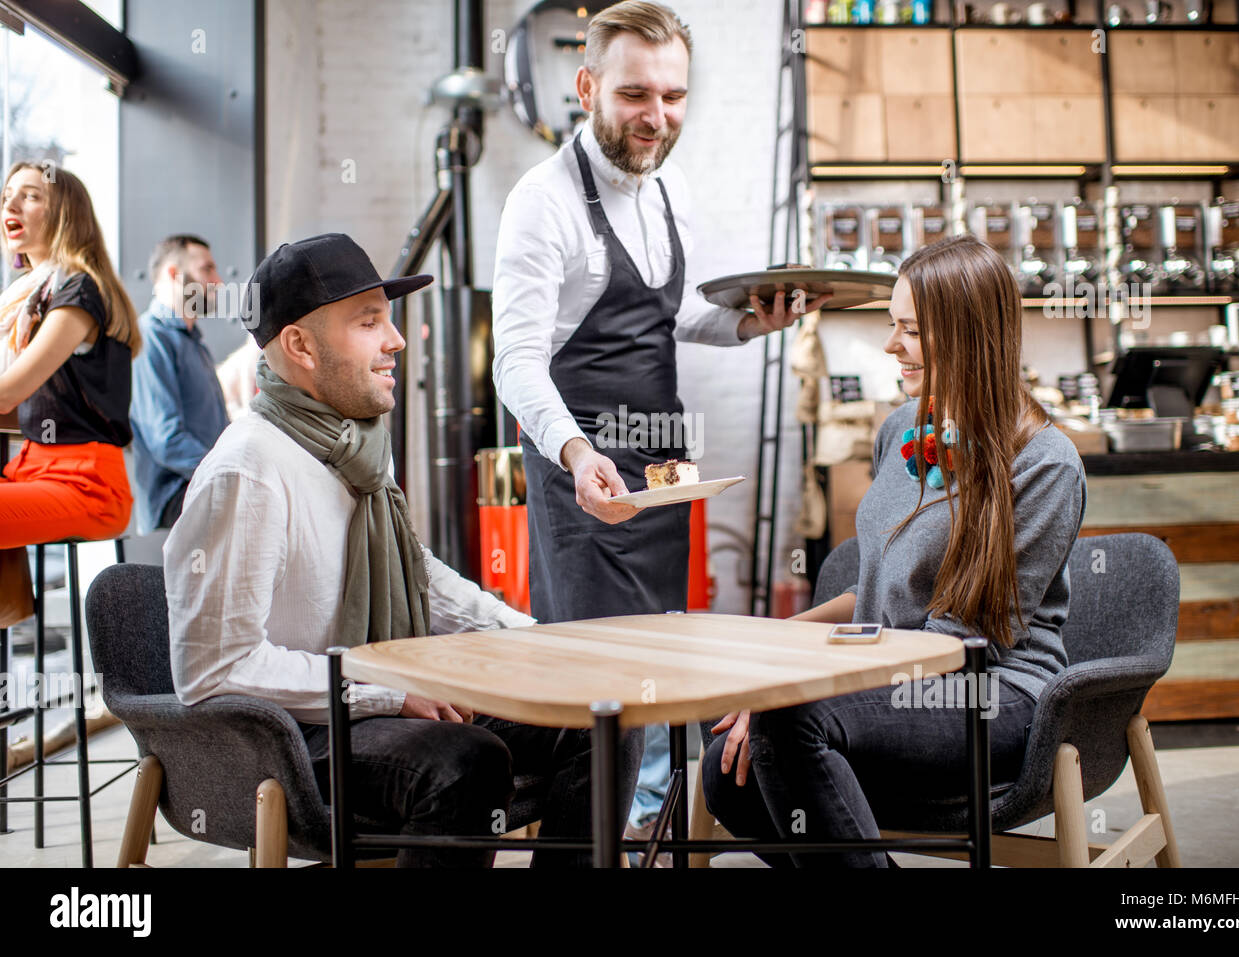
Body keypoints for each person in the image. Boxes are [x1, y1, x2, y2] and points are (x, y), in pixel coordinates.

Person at [165, 233, 643, 867]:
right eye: (369, 322)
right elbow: (215, 670)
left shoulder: (354, 444)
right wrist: (386, 691)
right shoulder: (247, 470)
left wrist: (536, 643)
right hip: (295, 734)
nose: (395, 340)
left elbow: (417, 572)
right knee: (464, 762)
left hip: (364, 700)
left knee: (603, 710)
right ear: (300, 346)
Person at [491, 0, 825, 859]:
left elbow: (670, 316)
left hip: (663, 473)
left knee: (655, 678)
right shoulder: (543, 203)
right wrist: (576, 451)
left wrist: (753, 322)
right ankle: (580, 858)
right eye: (636, 94)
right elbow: (515, 361)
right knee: (598, 702)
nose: (657, 117)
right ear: (587, 85)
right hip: (588, 477)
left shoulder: (656, 190)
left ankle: (643, 846)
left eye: (673, 97)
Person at [701, 235, 1088, 867]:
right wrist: (761, 651)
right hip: (894, 682)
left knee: (786, 723)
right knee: (726, 770)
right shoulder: (902, 429)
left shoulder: (1045, 464)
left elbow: (958, 641)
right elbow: (877, 591)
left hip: (993, 693)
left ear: (965, 337)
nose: (890, 345)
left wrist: (791, 690)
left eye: (909, 329)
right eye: (892, 324)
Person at [0, 162, 139, 549]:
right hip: (30, 468)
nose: (11, 204)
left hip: (86, 483)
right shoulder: (27, 299)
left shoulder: (80, 292)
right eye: (7, 195)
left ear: (65, 212)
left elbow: (8, 393)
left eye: (30, 195)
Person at [129, 234, 230, 530]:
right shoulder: (149, 338)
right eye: (207, 269)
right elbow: (166, 441)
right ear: (174, 274)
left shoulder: (194, 344)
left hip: (204, 484)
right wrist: (229, 472)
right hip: (175, 498)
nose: (219, 281)